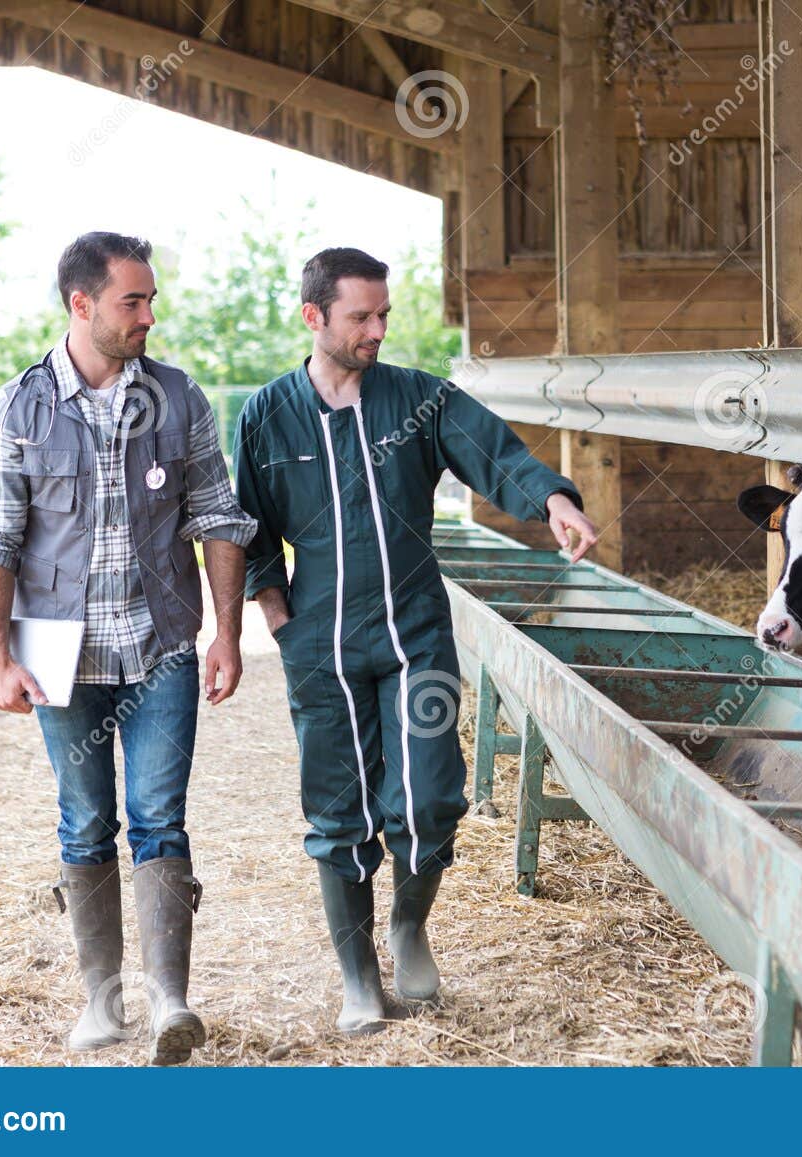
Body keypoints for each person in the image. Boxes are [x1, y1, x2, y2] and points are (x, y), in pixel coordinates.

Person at [235, 247, 597, 1035]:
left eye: (384, 315)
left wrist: (554, 500)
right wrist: (278, 620)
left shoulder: (420, 399)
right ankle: (359, 977)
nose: (377, 330)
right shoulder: (266, 415)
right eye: (360, 316)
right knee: (338, 813)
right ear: (314, 317)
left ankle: (407, 924)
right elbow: (251, 532)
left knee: (430, 796)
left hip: (415, 635)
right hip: (321, 643)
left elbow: (496, 453)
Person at [0, 232, 257, 1065]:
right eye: (134, 300)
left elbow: (218, 517)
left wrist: (228, 632)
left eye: (151, 299)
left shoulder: (179, 398)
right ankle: (102, 999)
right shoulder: (16, 411)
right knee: (85, 820)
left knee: (160, 816)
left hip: (161, 646)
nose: (149, 316)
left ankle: (170, 1000)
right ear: (82, 303)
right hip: (58, 658)